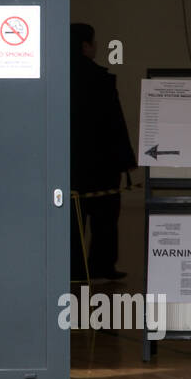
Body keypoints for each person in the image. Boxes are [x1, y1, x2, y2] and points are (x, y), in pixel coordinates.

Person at [69, 23, 136, 282]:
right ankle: (101, 265)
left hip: (70, 162)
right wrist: (126, 160)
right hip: (102, 163)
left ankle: (74, 268)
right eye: (94, 42)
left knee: (72, 220)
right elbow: (114, 123)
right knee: (104, 219)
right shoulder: (101, 79)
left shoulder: (55, 78)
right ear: (85, 46)